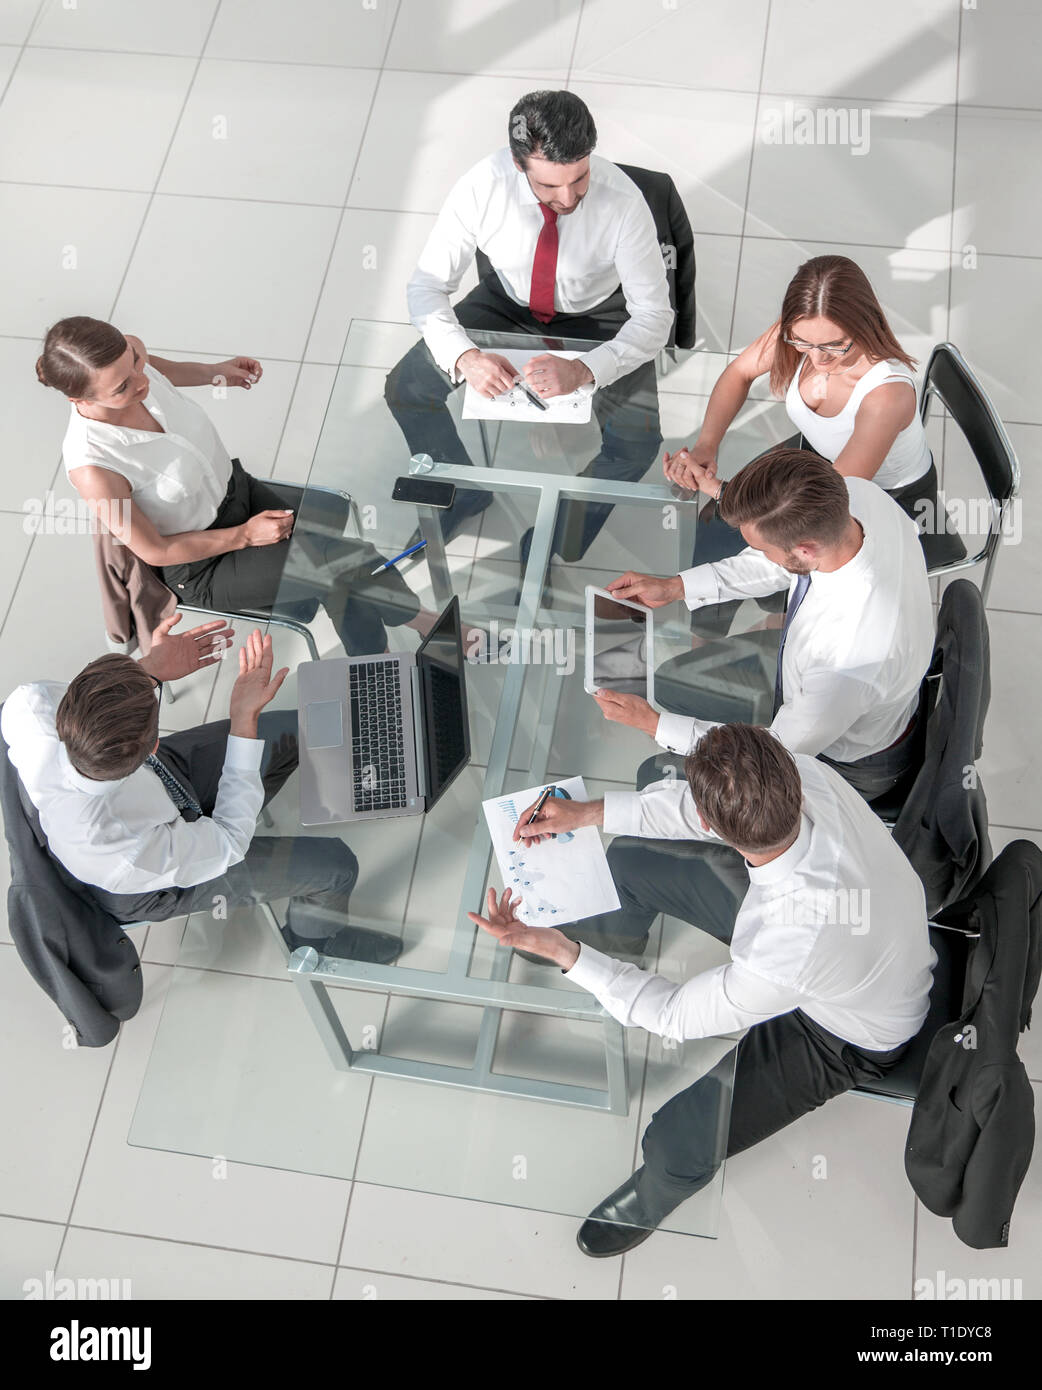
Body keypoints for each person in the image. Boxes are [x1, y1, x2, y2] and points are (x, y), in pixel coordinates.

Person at [469, 722, 935, 1257]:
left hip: (854, 1034)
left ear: (711, 824)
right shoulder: (809, 775)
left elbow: (672, 1015)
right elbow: (694, 810)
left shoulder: (786, 944)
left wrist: (563, 953)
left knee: (677, 1140)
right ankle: (606, 930)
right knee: (630, 860)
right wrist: (589, 812)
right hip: (860, 940)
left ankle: (655, 1194)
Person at [1, 616, 401, 964]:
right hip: (159, 874)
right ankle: (317, 942)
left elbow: (100, 702)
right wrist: (242, 719)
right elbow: (229, 841)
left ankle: (382, 762)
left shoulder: (32, 704)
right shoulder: (121, 854)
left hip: (162, 779)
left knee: (298, 732)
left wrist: (148, 670)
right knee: (335, 866)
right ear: (152, 745)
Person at [37, 316, 439, 658]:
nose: (141, 382)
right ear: (78, 399)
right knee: (344, 564)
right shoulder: (93, 466)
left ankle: (379, 664)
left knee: (338, 566)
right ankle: (427, 630)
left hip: (238, 492)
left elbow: (161, 371)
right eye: (122, 388)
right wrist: (245, 536)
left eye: (136, 364)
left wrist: (217, 372)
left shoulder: (132, 358)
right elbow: (156, 550)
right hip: (202, 563)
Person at [384, 88, 672, 560]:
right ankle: (462, 492)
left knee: (636, 445)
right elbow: (426, 287)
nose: (569, 197)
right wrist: (466, 356)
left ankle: (557, 537)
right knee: (406, 388)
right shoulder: (482, 186)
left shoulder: (623, 202)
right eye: (550, 187)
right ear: (520, 166)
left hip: (598, 313)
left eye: (579, 179)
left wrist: (585, 370)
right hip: (509, 302)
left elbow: (655, 316)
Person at [598, 448, 935, 803]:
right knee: (669, 685)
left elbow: (772, 750)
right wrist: (674, 587)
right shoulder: (855, 497)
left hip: (843, 761)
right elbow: (774, 564)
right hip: (803, 682)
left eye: (764, 548)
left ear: (805, 551)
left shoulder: (851, 659)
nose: (762, 555)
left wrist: (654, 725)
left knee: (656, 783)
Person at [663, 254, 955, 637]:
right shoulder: (803, 332)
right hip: (819, 463)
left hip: (882, 498)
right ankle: (702, 639)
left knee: (774, 558)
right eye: (802, 343)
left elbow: (826, 505)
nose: (816, 358)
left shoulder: (886, 395)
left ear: (863, 324)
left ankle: (766, 627)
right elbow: (739, 373)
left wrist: (721, 489)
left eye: (834, 346)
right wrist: (706, 445)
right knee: (717, 526)